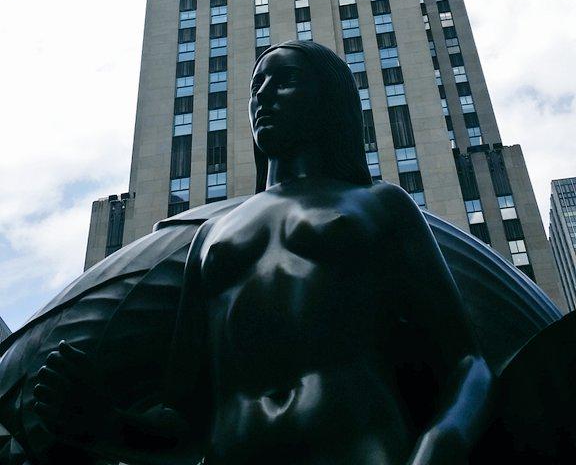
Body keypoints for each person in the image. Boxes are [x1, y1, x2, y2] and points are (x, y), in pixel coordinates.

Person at [34, 41, 493, 465]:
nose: (264, 95)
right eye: (257, 85)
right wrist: (106, 424)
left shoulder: (381, 205)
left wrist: (439, 446)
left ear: (329, 100)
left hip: (360, 450)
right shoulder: (209, 237)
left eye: (285, 80)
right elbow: (186, 419)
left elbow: (466, 363)